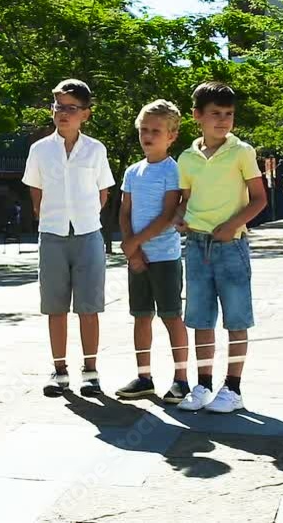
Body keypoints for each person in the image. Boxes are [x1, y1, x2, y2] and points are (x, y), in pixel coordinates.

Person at [173, 82, 267, 414]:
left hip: (232, 246)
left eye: (228, 114)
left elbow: (259, 199)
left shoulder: (242, 151)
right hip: (196, 247)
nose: (223, 120)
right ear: (197, 116)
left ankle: (234, 388)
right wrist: (179, 217)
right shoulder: (186, 158)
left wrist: (231, 226)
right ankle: (202, 385)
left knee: (237, 318)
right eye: (215, 114)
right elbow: (184, 201)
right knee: (200, 319)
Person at [22, 79, 115, 397]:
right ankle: (58, 370)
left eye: (71, 108)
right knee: (55, 306)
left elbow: (103, 192)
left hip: (88, 235)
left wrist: (85, 217)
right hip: (52, 235)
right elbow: (35, 189)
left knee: (89, 307)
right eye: (58, 106)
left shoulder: (96, 149)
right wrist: (47, 214)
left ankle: (90, 371)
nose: (63, 113)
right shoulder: (39, 150)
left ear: (85, 114)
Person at [114, 99, 190, 404]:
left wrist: (135, 243)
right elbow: (124, 211)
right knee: (141, 316)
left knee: (171, 316)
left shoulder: (174, 171)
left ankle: (181, 380)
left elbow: (167, 215)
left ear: (171, 135)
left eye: (156, 130)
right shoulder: (133, 171)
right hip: (138, 260)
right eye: (144, 129)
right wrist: (132, 250)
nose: (148, 135)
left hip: (164, 257)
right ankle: (144, 377)